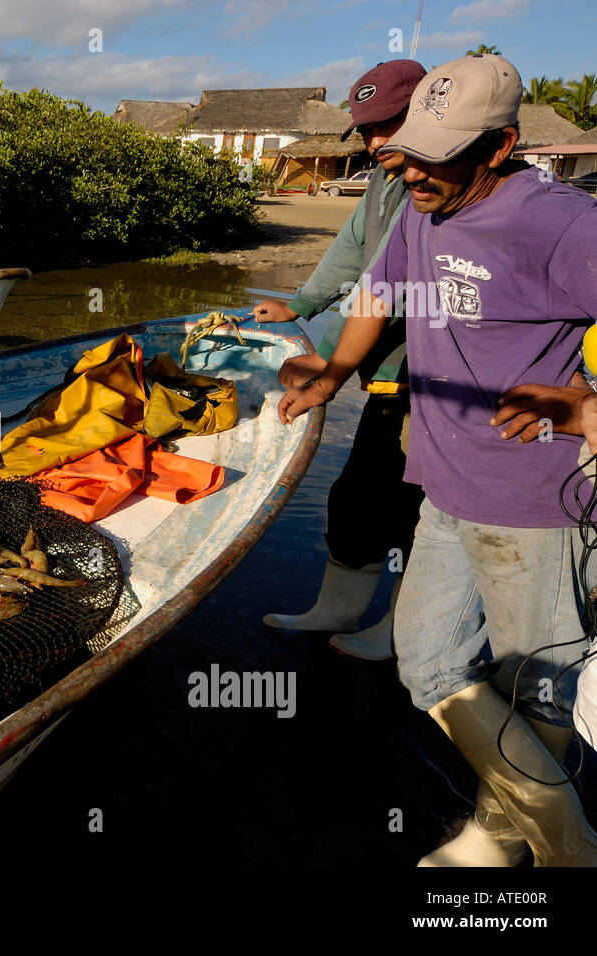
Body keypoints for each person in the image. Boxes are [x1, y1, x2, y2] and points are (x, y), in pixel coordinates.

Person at [279, 54, 597, 866]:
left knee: (540, 693)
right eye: (410, 146)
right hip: (445, 488)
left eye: (438, 152)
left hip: (536, 500)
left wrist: (586, 404)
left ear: (501, 146)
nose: (411, 168)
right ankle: (559, 835)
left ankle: (512, 840)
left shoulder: (561, 224)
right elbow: (379, 293)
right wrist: (332, 373)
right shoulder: (423, 205)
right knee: (427, 663)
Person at [254, 59, 427, 661]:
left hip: (431, 380)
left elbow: (390, 293)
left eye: (391, 126)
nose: (376, 141)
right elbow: (354, 252)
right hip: (382, 372)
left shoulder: (435, 188)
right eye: (367, 130)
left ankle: (404, 634)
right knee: (356, 497)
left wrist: (327, 367)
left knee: (410, 506)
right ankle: (339, 608)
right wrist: (301, 304)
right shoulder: (384, 179)